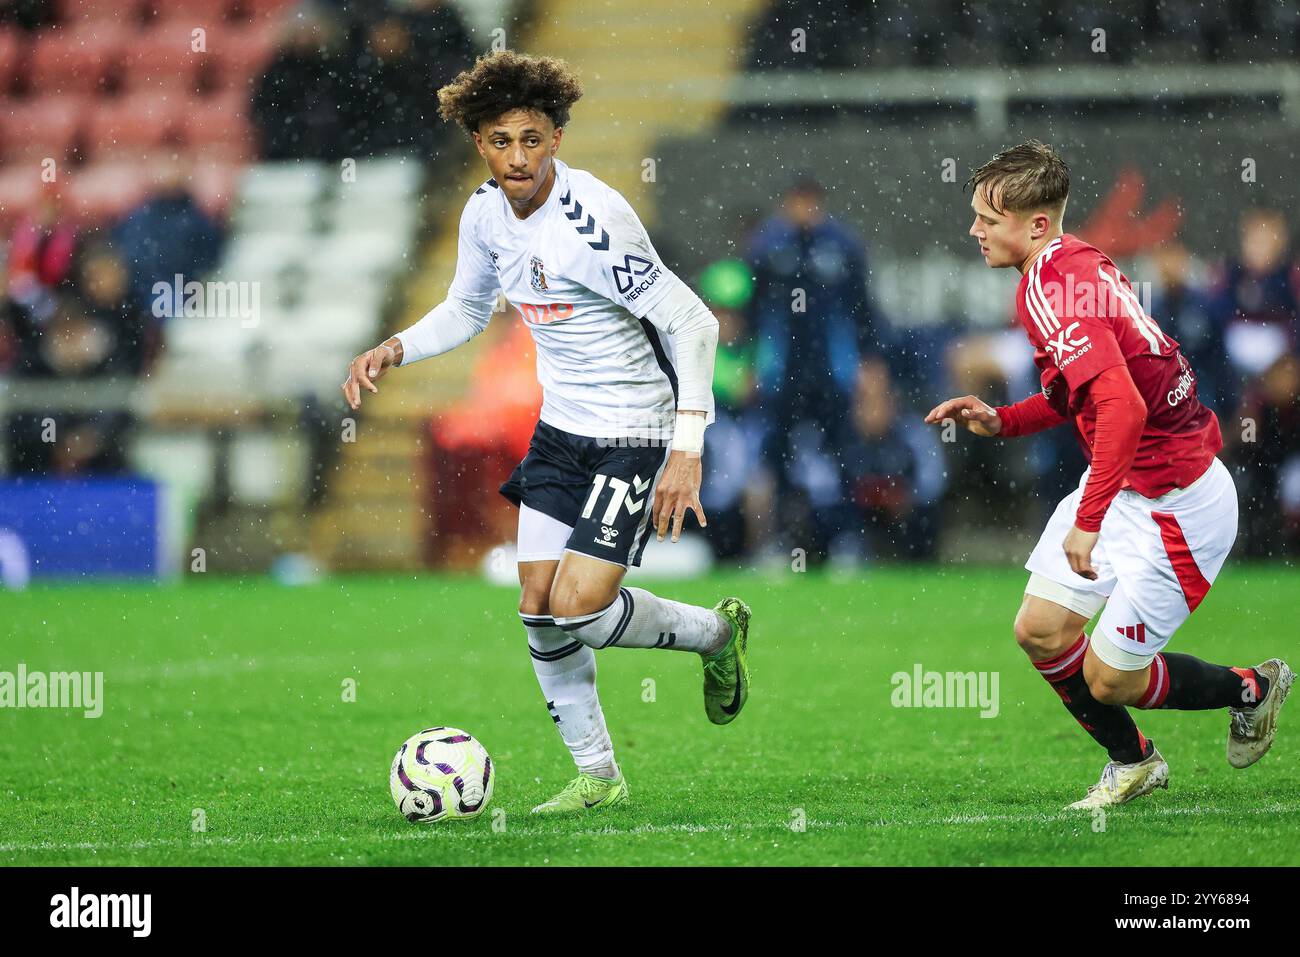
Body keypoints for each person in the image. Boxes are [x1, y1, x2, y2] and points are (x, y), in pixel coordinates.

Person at [341, 51, 752, 815]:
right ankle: (597, 773)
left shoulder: (594, 222)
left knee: (582, 610)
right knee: (537, 603)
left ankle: (715, 635)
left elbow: (691, 319)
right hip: (561, 427)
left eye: (532, 139)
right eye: (502, 141)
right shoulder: (482, 214)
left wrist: (686, 448)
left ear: (557, 139)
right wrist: (395, 345)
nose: (518, 157)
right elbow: (467, 310)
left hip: (633, 427)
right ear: (481, 146)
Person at [925, 140, 1293, 809]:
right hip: (1126, 481)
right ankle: (1134, 761)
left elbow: (1122, 405)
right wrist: (1004, 420)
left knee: (1108, 679)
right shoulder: (1070, 266)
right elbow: (1083, 393)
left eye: (987, 218)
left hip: (1179, 507)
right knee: (1039, 628)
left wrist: (1087, 520)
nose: (974, 230)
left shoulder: (1050, 287)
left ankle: (1252, 687)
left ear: (1036, 225)